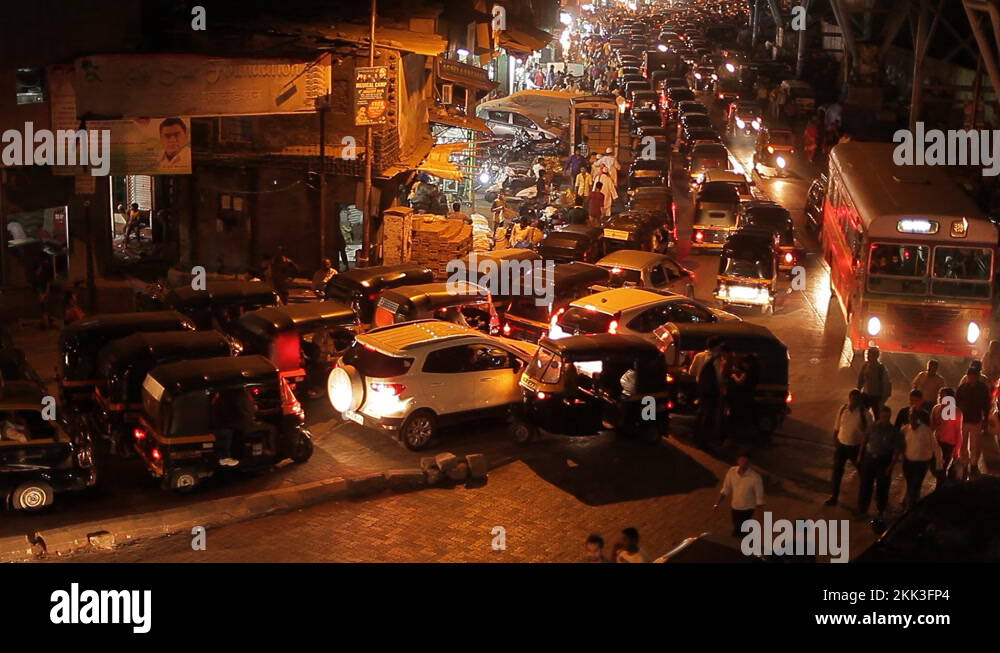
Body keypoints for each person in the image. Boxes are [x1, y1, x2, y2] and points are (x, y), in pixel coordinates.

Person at [856, 406, 901, 528]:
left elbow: (897, 450)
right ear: (880, 415)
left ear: (889, 416)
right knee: (865, 485)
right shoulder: (873, 427)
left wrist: (891, 466)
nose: (885, 418)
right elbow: (864, 440)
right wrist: (860, 455)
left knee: (882, 487)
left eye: (887, 416)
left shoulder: (893, 431)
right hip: (870, 459)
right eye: (883, 416)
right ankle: (862, 510)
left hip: (884, 461)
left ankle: (881, 510)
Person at [826, 389, 870, 506]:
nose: (853, 401)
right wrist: (836, 440)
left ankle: (863, 503)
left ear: (859, 400)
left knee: (864, 474)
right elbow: (837, 426)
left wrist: (862, 451)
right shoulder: (842, 410)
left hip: (856, 448)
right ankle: (834, 496)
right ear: (849, 398)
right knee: (837, 472)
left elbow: (868, 434)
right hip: (842, 446)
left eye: (856, 399)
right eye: (852, 398)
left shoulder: (865, 414)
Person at [714, 453, 765, 538]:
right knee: (738, 527)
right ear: (738, 460)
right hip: (735, 507)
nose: (744, 463)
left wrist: (760, 518)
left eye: (746, 461)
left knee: (738, 530)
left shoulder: (755, 477)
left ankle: (735, 543)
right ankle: (749, 540)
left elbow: (759, 499)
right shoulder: (731, 471)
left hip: (747, 509)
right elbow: (726, 488)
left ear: (749, 463)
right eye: (742, 460)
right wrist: (717, 503)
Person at [900, 409, 942, 509]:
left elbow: (936, 448)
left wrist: (939, 464)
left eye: (914, 418)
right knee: (910, 484)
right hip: (908, 462)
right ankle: (909, 504)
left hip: (921, 464)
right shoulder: (905, 430)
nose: (913, 421)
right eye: (911, 418)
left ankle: (912, 506)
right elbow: (900, 445)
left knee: (916, 485)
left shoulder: (926, 431)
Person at [956, 361, 992, 474]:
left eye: (973, 377)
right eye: (969, 376)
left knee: (975, 445)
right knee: (962, 445)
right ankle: (965, 464)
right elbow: (957, 403)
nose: (971, 378)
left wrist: (985, 419)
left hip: (976, 420)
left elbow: (986, 404)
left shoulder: (983, 388)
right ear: (967, 376)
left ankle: (973, 464)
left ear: (977, 377)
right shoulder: (962, 388)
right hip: (964, 420)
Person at [930, 387, 962, 488]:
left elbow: (958, 431)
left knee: (942, 468)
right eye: (941, 396)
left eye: (944, 396)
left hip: (949, 444)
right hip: (937, 443)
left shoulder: (956, 412)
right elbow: (932, 426)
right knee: (934, 467)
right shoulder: (936, 409)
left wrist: (957, 450)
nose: (941, 398)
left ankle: (940, 489)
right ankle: (944, 484)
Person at [857, 346, 891, 412]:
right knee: (862, 414)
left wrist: (883, 400)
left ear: (876, 356)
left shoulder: (881, 369)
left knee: (877, 417)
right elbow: (860, 380)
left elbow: (886, 385)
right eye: (868, 355)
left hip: (877, 397)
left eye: (870, 355)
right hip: (865, 396)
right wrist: (858, 392)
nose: (868, 357)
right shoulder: (865, 366)